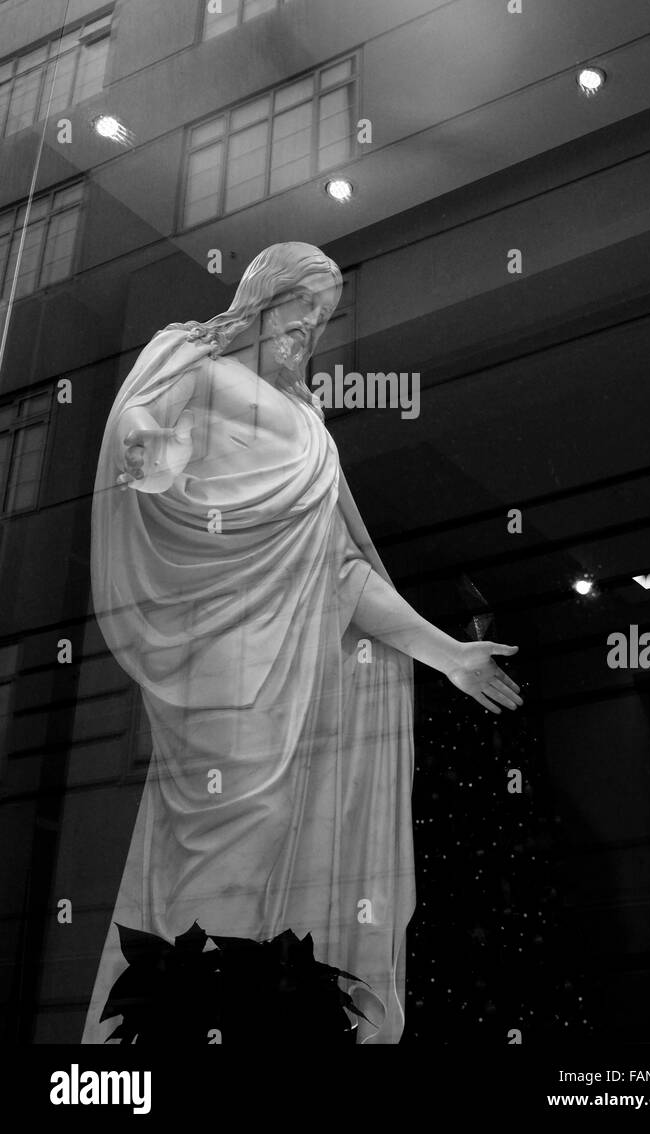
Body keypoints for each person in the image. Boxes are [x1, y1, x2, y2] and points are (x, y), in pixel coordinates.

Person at [82, 242, 521, 1045]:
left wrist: (446, 654)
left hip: (294, 672)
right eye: (301, 307)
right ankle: (174, 1024)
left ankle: (232, 1018)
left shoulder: (309, 424)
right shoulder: (191, 354)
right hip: (217, 660)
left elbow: (344, 573)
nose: (309, 328)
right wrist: (154, 450)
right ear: (263, 295)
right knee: (220, 828)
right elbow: (142, 426)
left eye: (323, 318)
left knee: (275, 837)